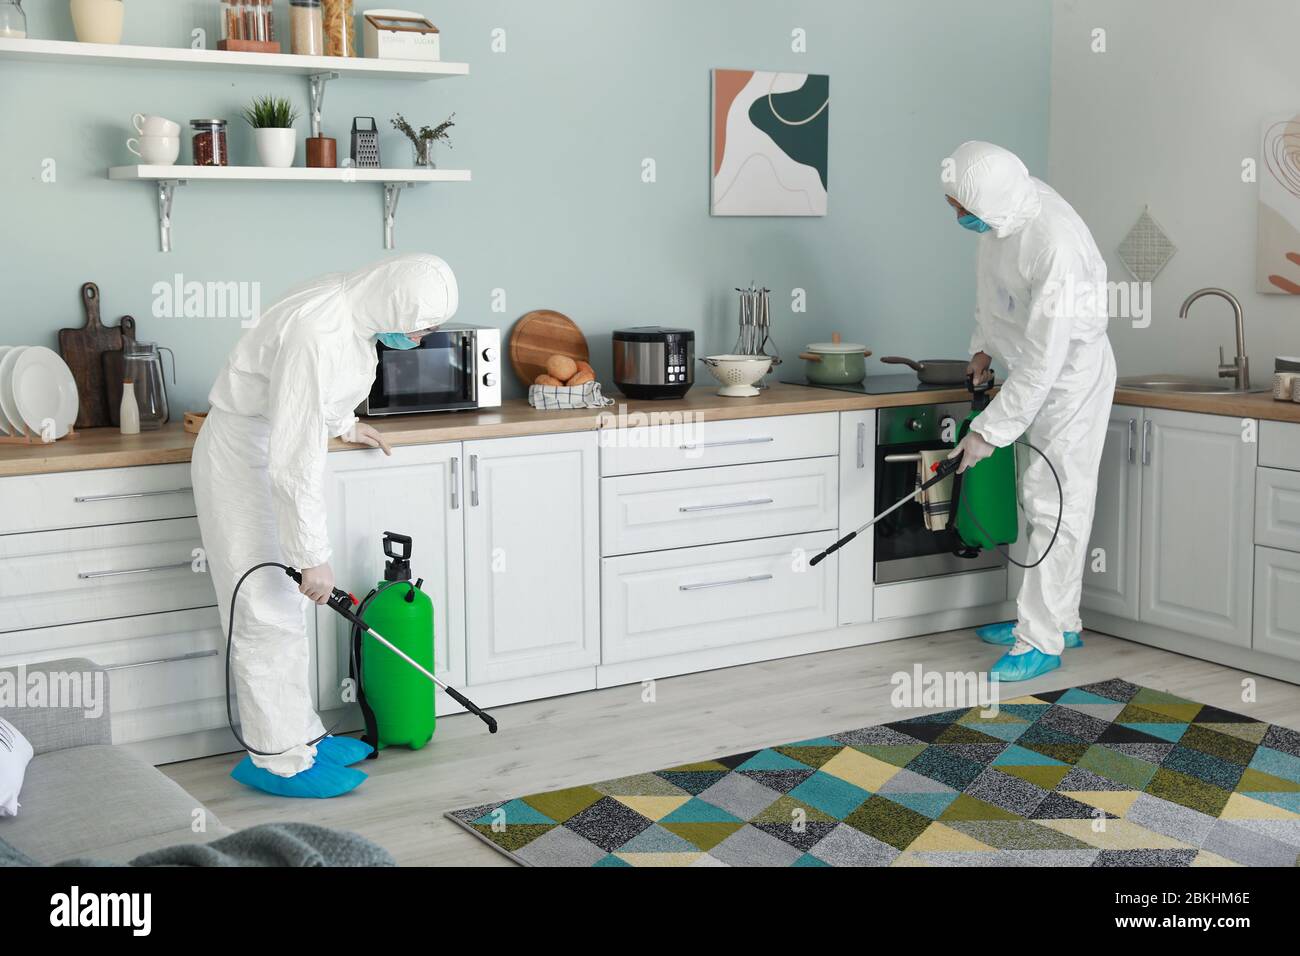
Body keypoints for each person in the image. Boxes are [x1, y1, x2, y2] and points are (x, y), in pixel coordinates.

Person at [192, 254, 459, 797]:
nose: (421, 336)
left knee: (286, 609)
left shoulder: (355, 306)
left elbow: (311, 397)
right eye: (421, 326)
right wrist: (311, 555)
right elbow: (294, 458)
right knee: (265, 612)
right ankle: (275, 759)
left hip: (270, 445)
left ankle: (303, 738)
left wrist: (347, 425)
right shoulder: (319, 330)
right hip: (247, 458)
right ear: (396, 304)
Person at [942, 141, 1116, 682]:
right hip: (1031, 371)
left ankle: (1040, 639)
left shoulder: (1054, 242)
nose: (956, 216)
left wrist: (986, 433)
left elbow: (1046, 359)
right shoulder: (1003, 214)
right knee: (1035, 496)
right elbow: (993, 292)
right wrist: (982, 346)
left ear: (988, 203)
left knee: (1055, 504)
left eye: (962, 210)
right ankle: (1055, 619)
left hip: (1069, 381)